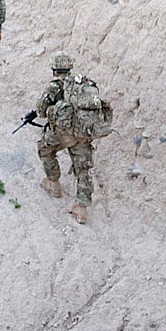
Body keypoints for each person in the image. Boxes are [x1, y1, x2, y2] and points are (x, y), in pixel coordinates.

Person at [34, 53, 113, 225]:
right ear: (69, 68)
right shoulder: (83, 85)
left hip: (62, 134)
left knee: (44, 149)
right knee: (83, 168)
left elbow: (40, 110)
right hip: (83, 134)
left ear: (54, 69)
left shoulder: (54, 87)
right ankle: (81, 208)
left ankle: (53, 183)